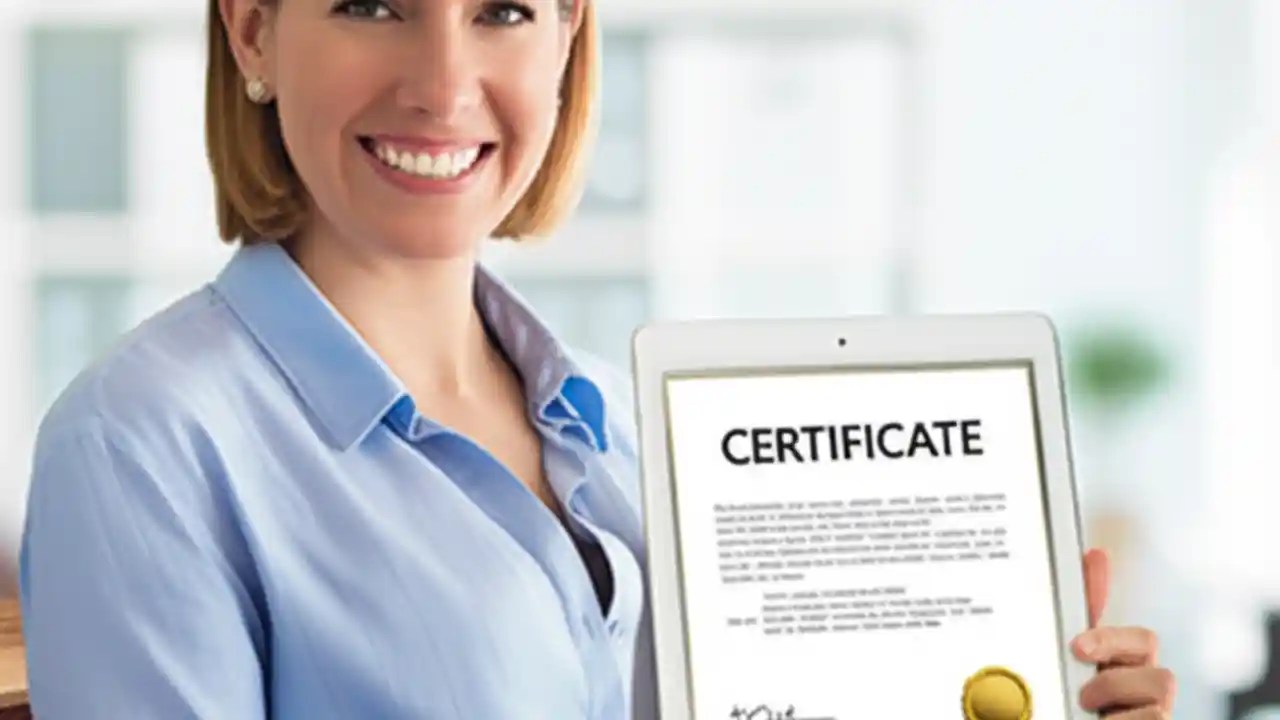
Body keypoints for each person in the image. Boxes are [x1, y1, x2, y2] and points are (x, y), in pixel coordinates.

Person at [17, 0, 1177, 717]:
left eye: (505, 10)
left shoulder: (630, 426)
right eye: (373, 3)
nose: (440, 83)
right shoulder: (143, 444)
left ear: (570, 35)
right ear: (254, 29)